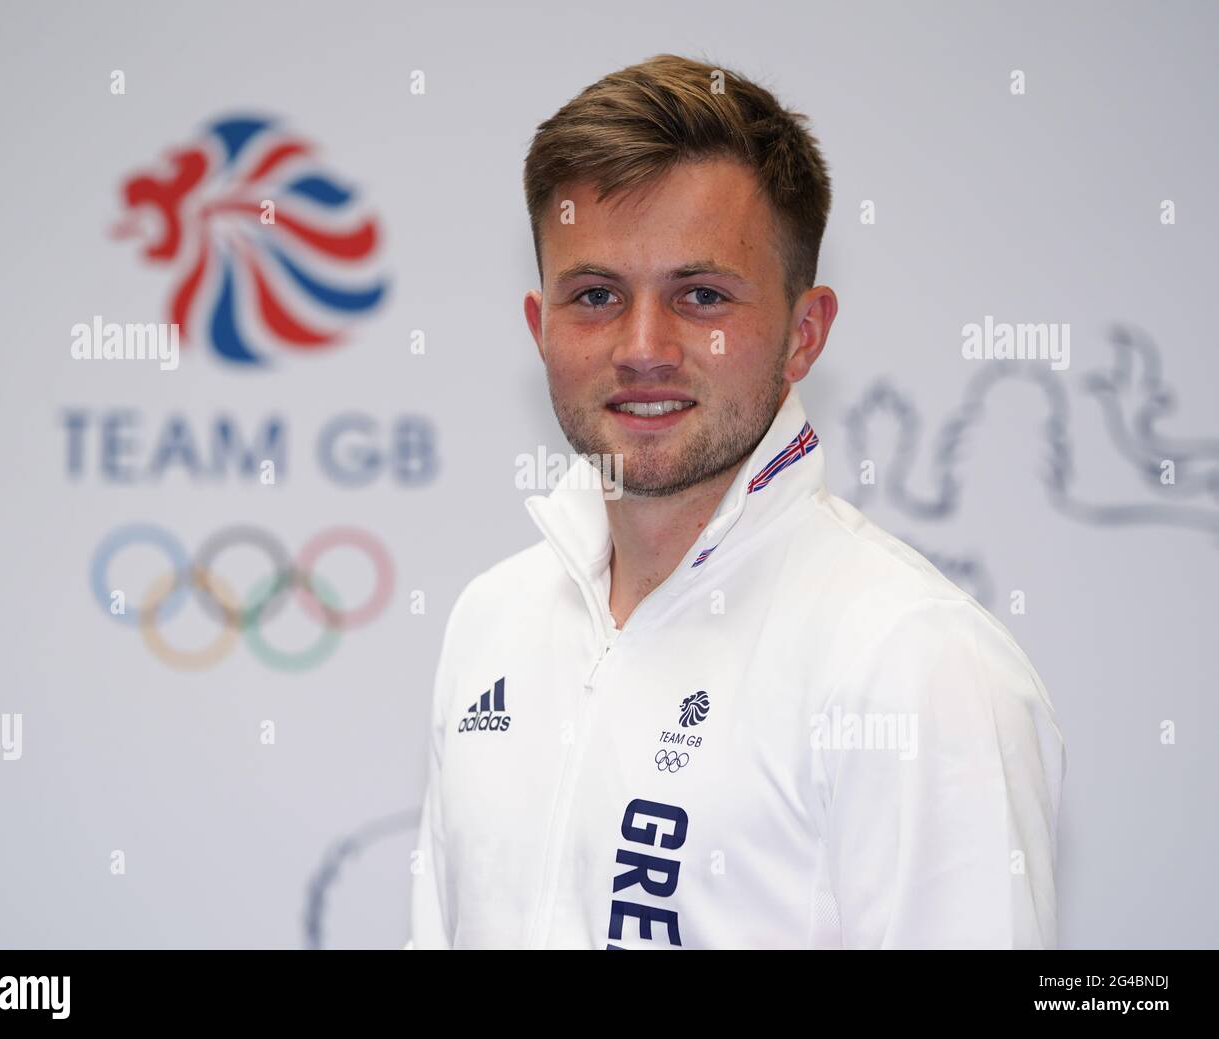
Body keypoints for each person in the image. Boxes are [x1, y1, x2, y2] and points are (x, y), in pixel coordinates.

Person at [406, 53, 1065, 949]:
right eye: (595, 295)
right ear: (541, 327)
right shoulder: (493, 619)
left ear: (805, 332)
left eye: (702, 295)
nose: (643, 347)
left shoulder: (915, 662)